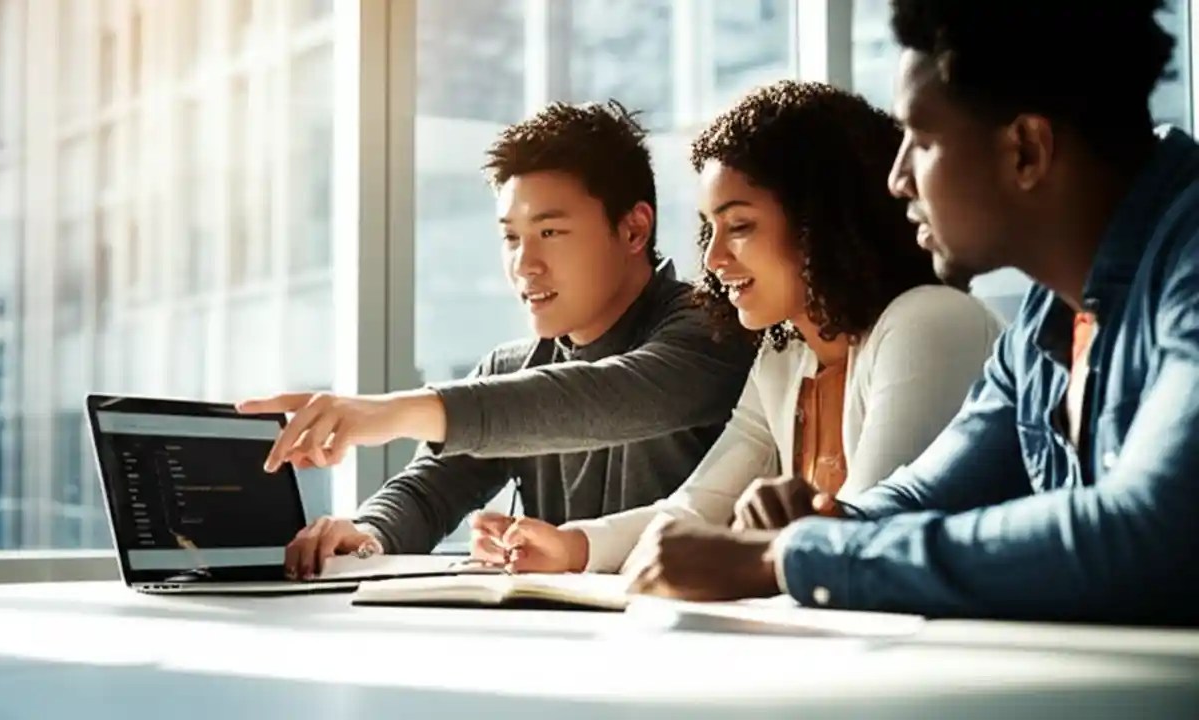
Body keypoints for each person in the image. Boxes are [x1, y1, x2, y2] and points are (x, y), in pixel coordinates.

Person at [628, 0, 1199, 626]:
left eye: (922, 141)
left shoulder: (1188, 268)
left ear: (1026, 151)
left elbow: (1150, 530)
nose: (898, 178)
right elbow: (928, 493)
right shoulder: (1043, 322)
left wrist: (787, 556)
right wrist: (830, 523)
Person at [472, 81, 1002, 575]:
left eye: (740, 226)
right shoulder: (785, 355)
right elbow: (699, 505)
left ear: (823, 220)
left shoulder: (929, 322)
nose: (714, 256)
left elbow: (862, 539)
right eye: (710, 228)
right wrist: (573, 546)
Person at [238, 100, 755, 579]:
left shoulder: (711, 329)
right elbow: (425, 495)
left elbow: (601, 398)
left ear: (634, 230)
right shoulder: (509, 369)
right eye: (511, 237)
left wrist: (386, 411)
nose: (525, 265)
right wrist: (367, 535)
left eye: (550, 233)